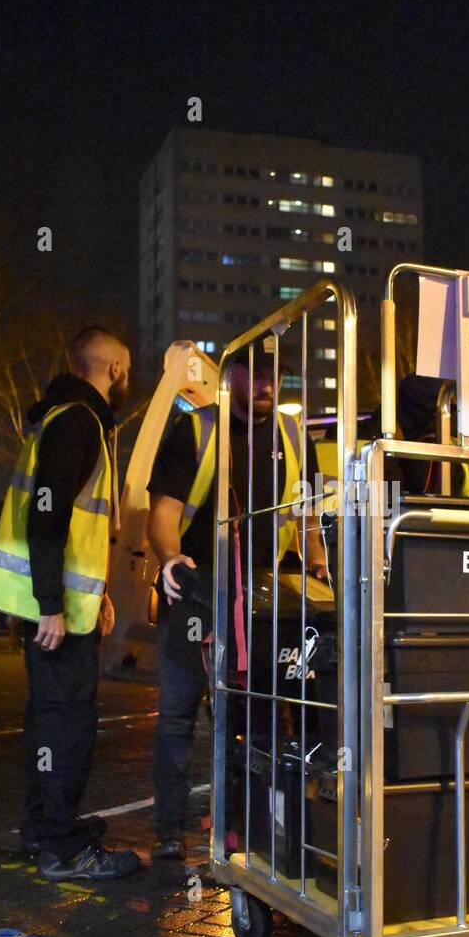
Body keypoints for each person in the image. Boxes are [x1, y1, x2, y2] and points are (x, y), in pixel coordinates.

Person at [146, 341, 329, 860]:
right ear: (234, 375)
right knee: (180, 713)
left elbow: (309, 511)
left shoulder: (295, 434)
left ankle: (244, 823)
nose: (270, 385)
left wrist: (316, 558)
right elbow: (162, 514)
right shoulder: (199, 429)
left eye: (278, 375)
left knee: (260, 715)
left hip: (264, 598)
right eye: (259, 374)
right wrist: (169, 557)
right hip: (197, 591)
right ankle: (167, 831)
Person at [0, 326, 140, 881]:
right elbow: (46, 518)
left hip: (64, 605)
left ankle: (45, 827)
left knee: (48, 722)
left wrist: (94, 596)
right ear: (115, 370)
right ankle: (63, 848)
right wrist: (53, 602)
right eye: (127, 370)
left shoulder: (61, 417)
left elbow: (71, 525)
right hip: (56, 612)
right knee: (68, 725)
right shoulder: (79, 422)